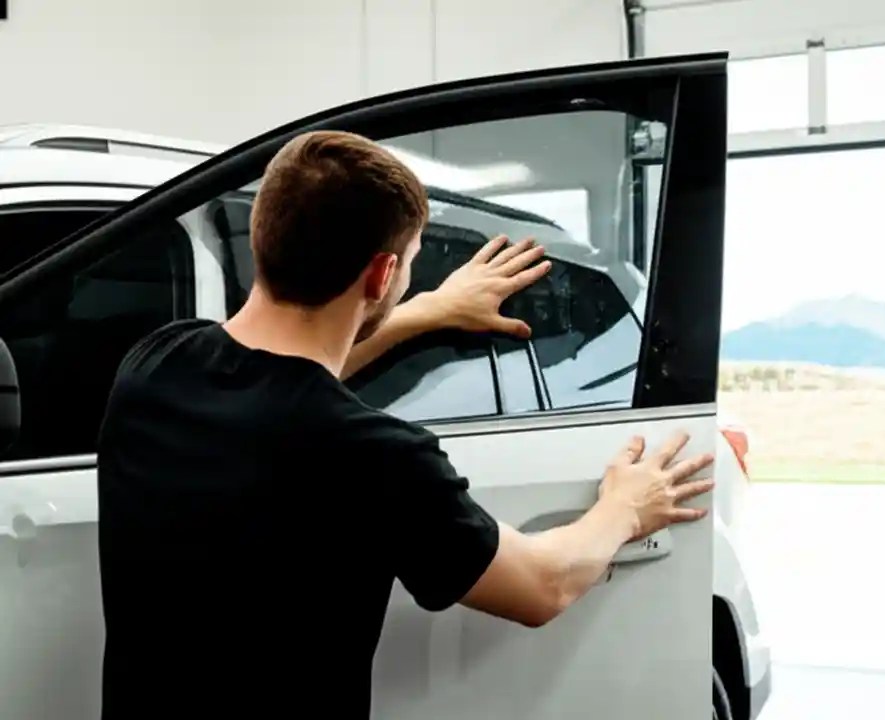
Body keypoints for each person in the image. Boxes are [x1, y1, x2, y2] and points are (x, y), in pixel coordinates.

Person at [95, 130, 714, 719]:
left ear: (262, 232)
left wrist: (422, 313)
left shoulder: (154, 366)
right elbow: (542, 586)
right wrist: (626, 509)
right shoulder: (375, 457)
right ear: (382, 274)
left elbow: (280, 377)